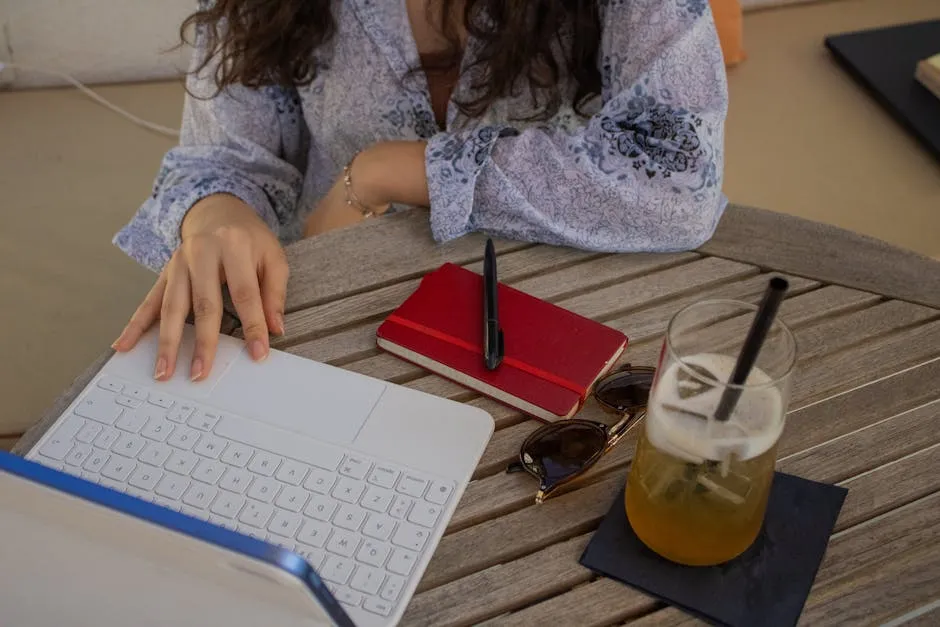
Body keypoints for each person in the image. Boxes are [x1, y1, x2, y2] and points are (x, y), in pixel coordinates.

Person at [112, 0, 729, 383]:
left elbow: (675, 176)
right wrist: (218, 210)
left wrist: (395, 170)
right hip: (324, 298)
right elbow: (223, 154)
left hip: (555, 299)